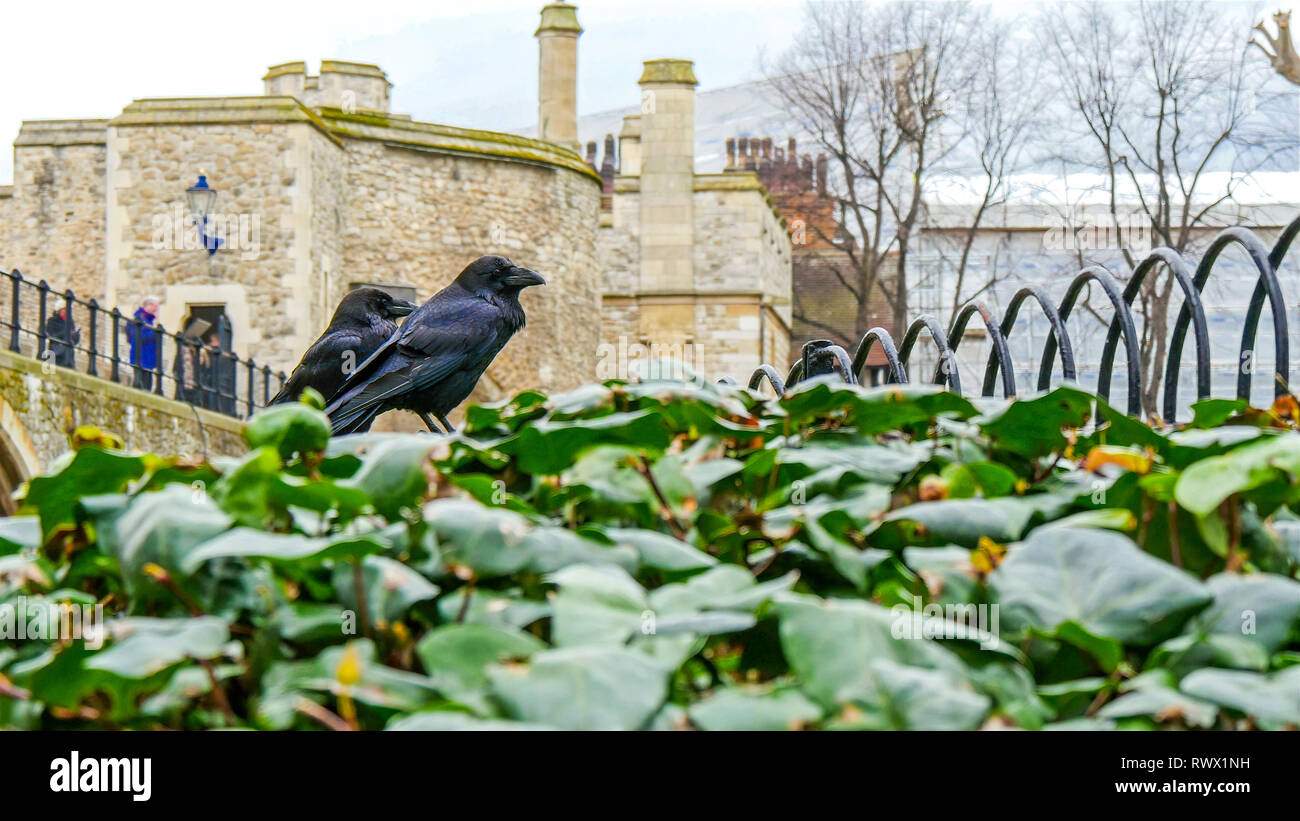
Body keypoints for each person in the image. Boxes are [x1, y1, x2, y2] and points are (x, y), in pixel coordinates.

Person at [173, 318, 210, 405]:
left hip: (194, 384)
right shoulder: (183, 350)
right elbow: (177, 367)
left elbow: (204, 366)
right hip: (185, 383)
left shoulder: (198, 352)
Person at [126, 297, 160, 391]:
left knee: (147, 386)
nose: (156, 309)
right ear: (148, 305)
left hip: (148, 358)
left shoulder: (148, 321)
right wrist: (154, 334)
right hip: (141, 358)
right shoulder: (139, 319)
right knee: (140, 385)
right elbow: (137, 337)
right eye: (155, 306)